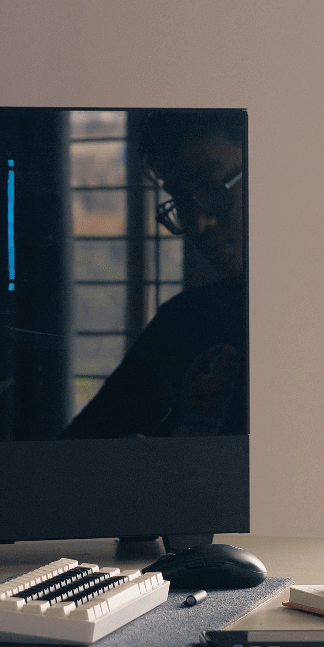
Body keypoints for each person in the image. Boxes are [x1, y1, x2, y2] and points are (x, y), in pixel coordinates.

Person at [64, 108, 248, 438]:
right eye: (181, 201)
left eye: (211, 190)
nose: (197, 224)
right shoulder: (184, 320)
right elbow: (82, 448)